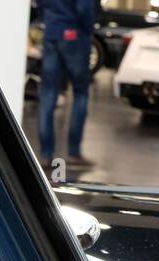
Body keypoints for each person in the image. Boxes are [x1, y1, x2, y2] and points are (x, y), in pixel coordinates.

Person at [36, 0, 96, 172]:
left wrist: (49, 22)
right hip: (74, 35)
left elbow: (40, 5)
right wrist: (88, 30)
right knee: (80, 92)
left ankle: (46, 155)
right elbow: (84, 7)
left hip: (52, 34)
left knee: (48, 95)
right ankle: (73, 152)